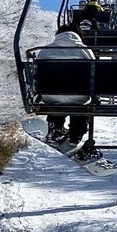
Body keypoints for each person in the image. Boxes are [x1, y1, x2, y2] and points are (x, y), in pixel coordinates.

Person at [38, 25, 99, 159]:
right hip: (79, 96)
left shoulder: (45, 50)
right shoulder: (84, 50)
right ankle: (76, 134)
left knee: (57, 99)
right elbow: (94, 72)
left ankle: (55, 127)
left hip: (50, 95)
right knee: (83, 103)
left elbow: (37, 73)